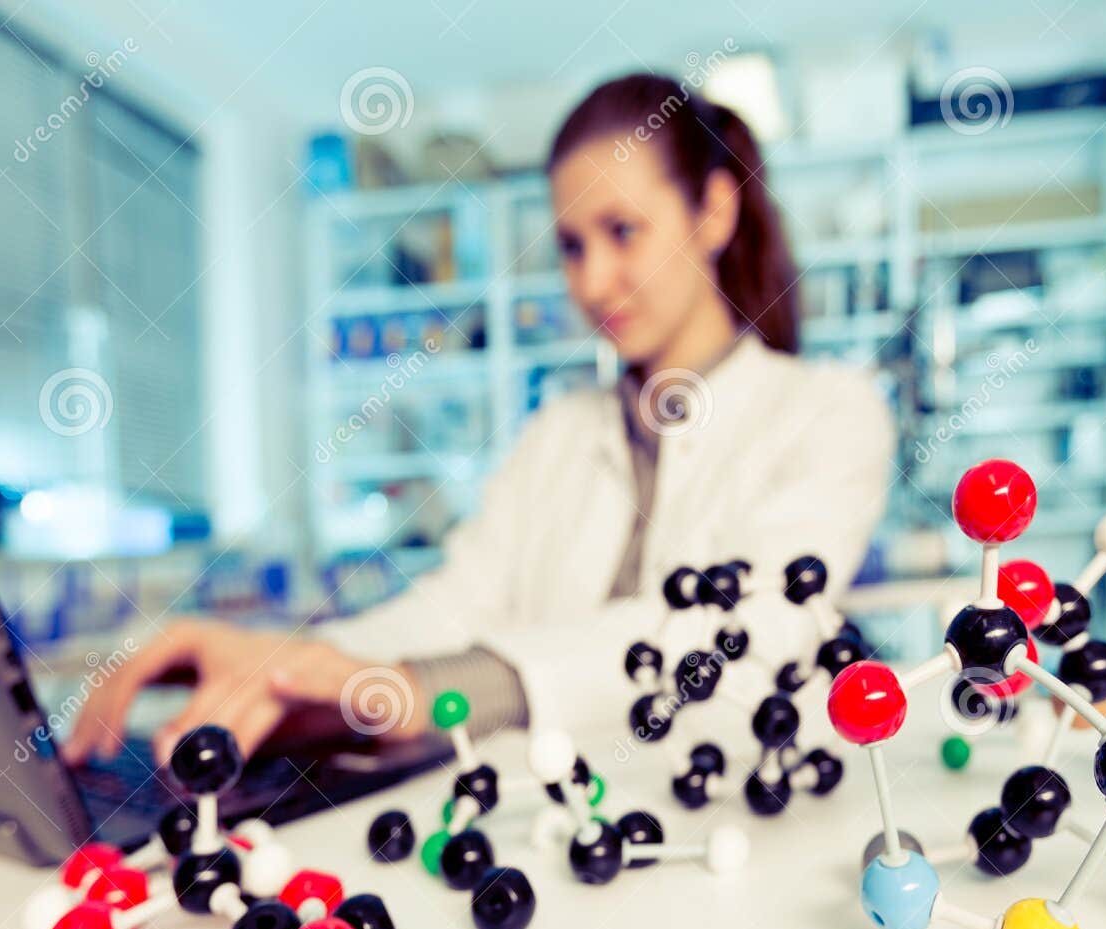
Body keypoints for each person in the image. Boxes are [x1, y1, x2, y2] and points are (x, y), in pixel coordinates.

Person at [63, 72, 894, 769]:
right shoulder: (560, 432)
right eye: (572, 245)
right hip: (545, 827)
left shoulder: (830, 411)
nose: (592, 282)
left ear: (713, 211)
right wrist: (288, 668)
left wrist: (421, 692)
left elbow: (737, 630)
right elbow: (454, 607)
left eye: (622, 232)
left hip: (733, 825)